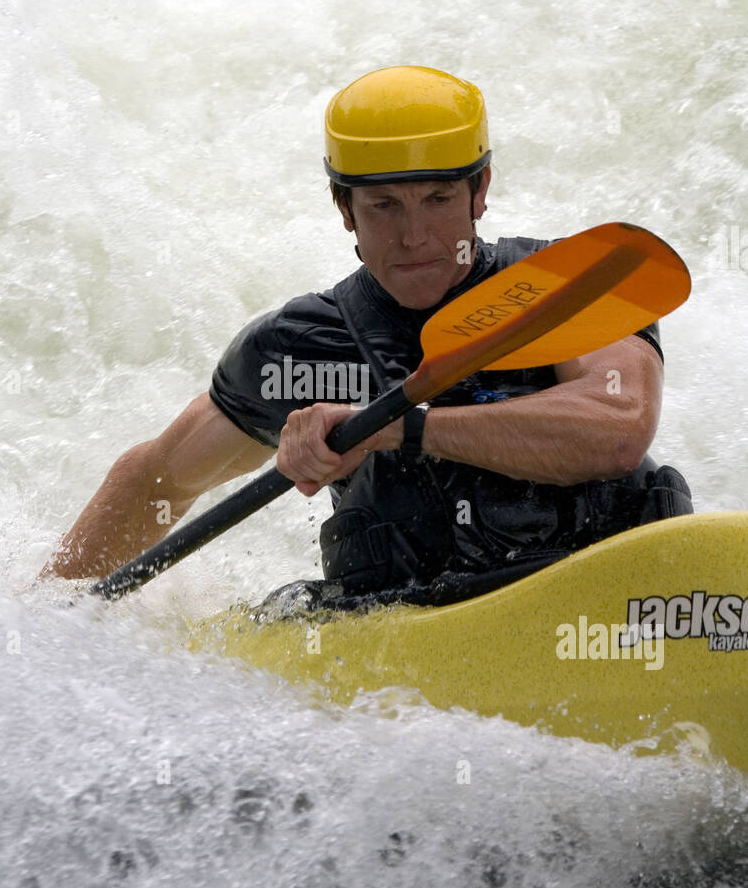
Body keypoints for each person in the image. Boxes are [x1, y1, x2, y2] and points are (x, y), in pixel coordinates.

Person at [42, 66, 691, 604]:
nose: (414, 236)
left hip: (602, 608)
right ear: (344, 207)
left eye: (437, 199)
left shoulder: (574, 287)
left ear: (480, 190)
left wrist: (398, 428)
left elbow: (618, 426)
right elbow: (159, 479)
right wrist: (52, 610)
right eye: (384, 207)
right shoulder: (295, 352)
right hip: (417, 644)